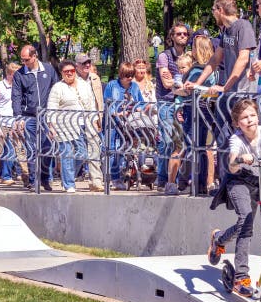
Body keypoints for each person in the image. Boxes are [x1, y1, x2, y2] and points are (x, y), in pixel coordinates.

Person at [206, 98, 261, 297]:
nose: (250, 120)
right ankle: (241, 277)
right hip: (238, 180)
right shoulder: (236, 139)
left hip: (258, 182)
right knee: (246, 218)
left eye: (252, 115)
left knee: (246, 227)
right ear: (237, 123)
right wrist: (240, 159)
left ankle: (219, 239)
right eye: (244, 117)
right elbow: (231, 163)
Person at [11, 45, 59, 191]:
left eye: (26, 59)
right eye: (22, 60)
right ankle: (34, 180)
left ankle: (44, 178)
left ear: (34, 56)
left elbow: (56, 88)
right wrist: (18, 117)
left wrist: (55, 112)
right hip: (28, 116)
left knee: (47, 147)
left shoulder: (48, 69)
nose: (24, 62)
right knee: (31, 149)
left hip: (46, 116)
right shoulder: (19, 74)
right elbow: (16, 96)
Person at [190, 0, 257, 95]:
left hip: (243, 92)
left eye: (213, 10)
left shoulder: (243, 26)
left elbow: (243, 59)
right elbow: (215, 59)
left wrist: (225, 87)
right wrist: (196, 84)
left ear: (220, 10)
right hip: (229, 91)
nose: (213, 14)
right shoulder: (226, 30)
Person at [47, 60, 96, 193]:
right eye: (66, 72)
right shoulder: (58, 87)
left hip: (81, 124)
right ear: (61, 73)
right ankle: (69, 184)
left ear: (75, 71)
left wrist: (95, 120)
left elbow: (91, 103)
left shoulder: (84, 85)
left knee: (82, 153)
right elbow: (52, 108)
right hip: (64, 126)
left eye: (72, 71)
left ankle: (67, 177)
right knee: (67, 154)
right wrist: (51, 126)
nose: (69, 74)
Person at [155, 23, 190, 189]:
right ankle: (163, 178)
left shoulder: (189, 56)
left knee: (181, 142)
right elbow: (166, 82)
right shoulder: (164, 56)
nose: (182, 36)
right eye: (178, 34)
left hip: (183, 103)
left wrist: (177, 84)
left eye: (184, 34)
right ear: (172, 37)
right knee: (168, 140)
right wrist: (182, 85)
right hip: (166, 102)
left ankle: (175, 178)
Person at [104, 62, 145, 190]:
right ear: (121, 75)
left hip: (127, 124)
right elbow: (106, 103)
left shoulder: (135, 87)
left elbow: (141, 103)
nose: (129, 78)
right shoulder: (112, 85)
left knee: (122, 150)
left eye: (131, 75)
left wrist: (139, 109)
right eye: (126, 75)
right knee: (111, 149)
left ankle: (119, 177)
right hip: (113, 122)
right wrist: (116, 113)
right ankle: (111, 178)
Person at [74, 53, 105, 192]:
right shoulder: (72, 79)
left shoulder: (95, 78)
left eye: (88, 63)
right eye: (83, 63)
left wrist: (100, 118)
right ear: (77, 66)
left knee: (95, 149)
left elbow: (99, 99)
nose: (87, 65)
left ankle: (96, 180)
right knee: (78, 151)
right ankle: (69, 179)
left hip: (92, 118)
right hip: (75, 119)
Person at [0, 62, 21, 185]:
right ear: (9, 74)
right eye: (14, 74)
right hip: (2, 121)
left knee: (12, 150)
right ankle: (1, 175)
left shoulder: (18, 86)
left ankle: (6, 175)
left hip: (13, 122)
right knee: (1, 150)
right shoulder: (0, 86)